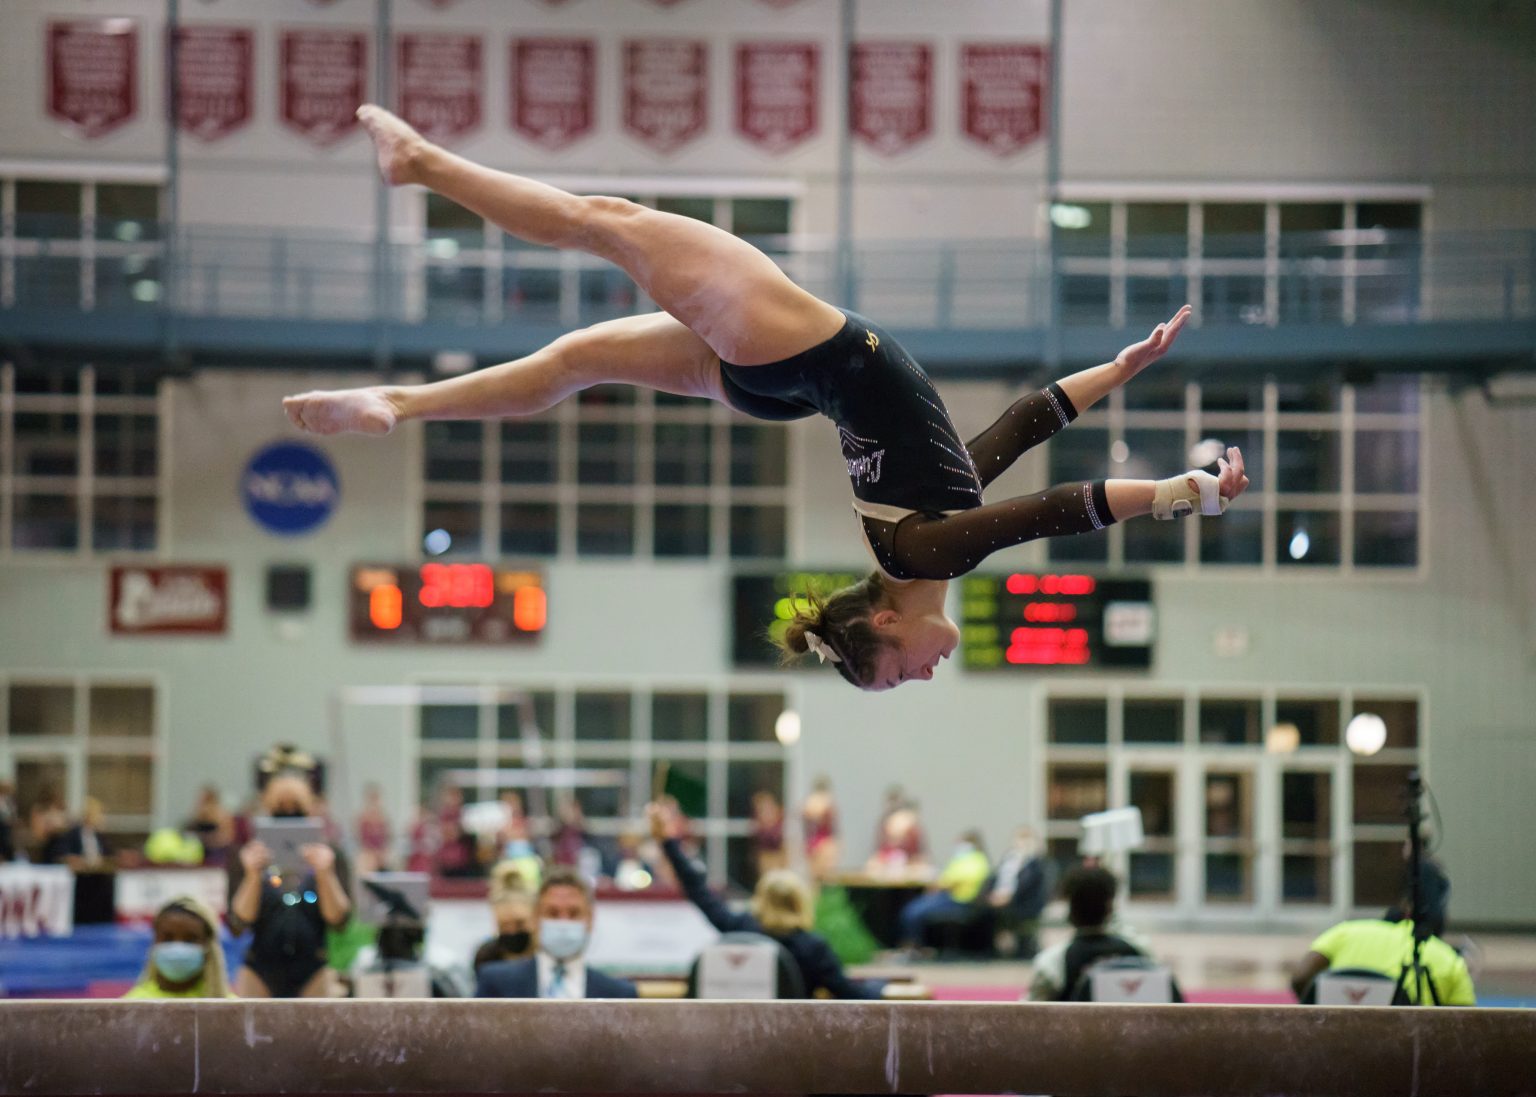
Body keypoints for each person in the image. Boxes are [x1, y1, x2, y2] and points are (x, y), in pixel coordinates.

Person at [282, 105, 1251, 692]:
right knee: (577, 356)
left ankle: (423, 169)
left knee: (605, 225)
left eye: (901, 670)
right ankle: (395, 404)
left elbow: (1067, 507)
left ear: (883, 624)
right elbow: (1017, 428)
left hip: (795, 350)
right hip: (778, 381)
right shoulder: (933, 534)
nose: (926, 671)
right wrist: (1120, 371)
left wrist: (1191, 493)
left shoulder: (923, 548)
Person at [647, 801, 882, 999]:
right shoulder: (813, 949)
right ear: (801, 903)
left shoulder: (740, 931)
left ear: (761, 899)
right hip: (792, 1044)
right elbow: (852, 995)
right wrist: (880, 987)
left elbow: (697, 889)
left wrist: (668, 842)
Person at [227, 772, 353, 998]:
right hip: (260, 968)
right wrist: (253, 875)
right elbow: (239, 922)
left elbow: (339, 921)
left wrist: (326, 874)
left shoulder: (331, 855)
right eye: (280, 805)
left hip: (313, 967)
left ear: (311, 807)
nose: (288, 811)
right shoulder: (248, 855)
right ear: (267, 807)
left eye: (296, 805)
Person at [475, 867, 637, 999]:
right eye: (552, 913)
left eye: (574, 913)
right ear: (535, 918)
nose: (563, 922)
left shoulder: (618, 995)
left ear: (590, 919)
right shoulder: (496, 982)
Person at [1290, 906, 1475, 1006]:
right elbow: (1466, 1023)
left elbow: (1299, 978)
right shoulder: (1448, 957)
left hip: (1332, 1043)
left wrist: (1315, 1013)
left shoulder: (1344, 932)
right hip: (1408, 1053)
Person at [1029, 866, 1151, 1001]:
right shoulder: (1140, 952)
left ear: (1070, 911)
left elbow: (1028, 1014)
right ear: (1110, 908)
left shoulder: (1053, 962)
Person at [122, 895, 237, 999]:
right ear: (155, 942)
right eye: (168, 938)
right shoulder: (130, 1006)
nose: (178, 946)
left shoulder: (232, 1008)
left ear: (207, 945)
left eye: (190, 939)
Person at [895, 830, 991, 951]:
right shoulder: (962, 860)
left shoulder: (975, 861)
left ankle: (913, 947)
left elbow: (952, 881)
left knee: (913, 912)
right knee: (913, 908)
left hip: (960, 901)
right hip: (950, 897)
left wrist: (939, 886)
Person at [988, 826, 1052, 959]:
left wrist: (1008, 898)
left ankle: (1022, 950)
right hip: (1001, 900)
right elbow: (996, 878)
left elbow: (1026, 886)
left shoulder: (1036, 863)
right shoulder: (1009, 858)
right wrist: (993, 894)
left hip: (1024, 904)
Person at [472, 862, 537, 975]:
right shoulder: (486, 958)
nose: (512, 931)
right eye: (504, 926)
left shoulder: (546, 958)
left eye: (519, 923)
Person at [42, 796, 113, 869]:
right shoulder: (72, 834)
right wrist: (81, 861)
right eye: (99, 814)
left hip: (98, 875)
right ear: (89, 814)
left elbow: (109, 857)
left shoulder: (100, 837)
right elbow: (61, 855)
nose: (102, 818)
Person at [186, 785, 236, 868]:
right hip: (199, 851)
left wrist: (208, 839)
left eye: (204, 800)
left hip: (218, 852)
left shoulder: (222, 815)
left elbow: (228, 838)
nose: (200, 802)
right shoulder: (198, 814)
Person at [800, 776, 840, 881]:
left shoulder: (812, 801)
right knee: (820, 874)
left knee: (819, 874)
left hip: (817, 840)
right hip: (821, 839)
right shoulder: (824, 801)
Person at [354, 783, 394, 876]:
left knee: (389, 860)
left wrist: (382, 852)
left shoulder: (384, 818)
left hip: (381, 852)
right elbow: (361, 839)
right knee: (365, 863)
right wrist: (372, 852)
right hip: (368, 852)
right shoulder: (363, 818)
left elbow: (388, 837)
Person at [750, 790, 788, 882]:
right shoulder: (760, 826)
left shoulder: (780, 820)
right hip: (766, 856)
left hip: (778, 855)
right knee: (769, 879)